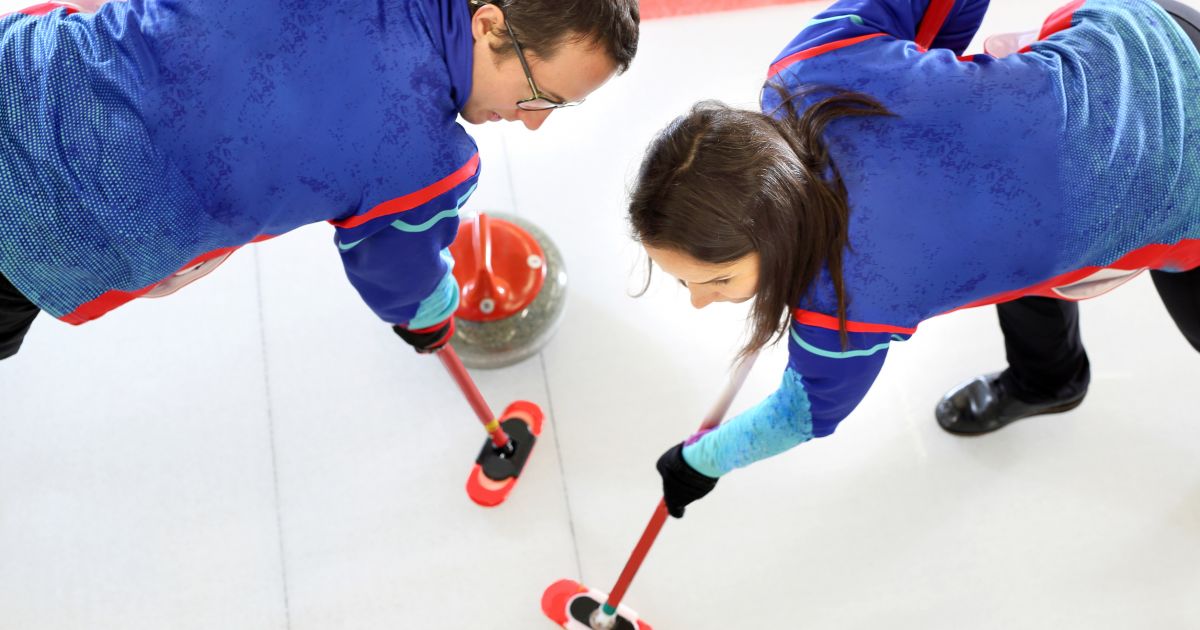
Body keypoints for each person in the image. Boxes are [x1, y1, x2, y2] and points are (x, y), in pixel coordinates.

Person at [629, 0, 1200, 518]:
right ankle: (1048, 379)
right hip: (1144, 31)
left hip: (1179, 177)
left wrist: (700, 460)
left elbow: (800, 414)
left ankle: (1048, 378)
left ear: (774, 235)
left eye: (717, 279)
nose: (703, 301)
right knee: (1000, 252)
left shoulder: (844, 304)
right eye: (685, 284)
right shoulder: (807, 68)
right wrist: (936, 90)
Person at [0, 0, 639, 360]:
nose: (532, 126)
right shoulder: (427, 164)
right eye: (539, 97)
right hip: (48, 233)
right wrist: (435, 320)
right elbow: (402, 280)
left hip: (24, 67)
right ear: (489, 23)